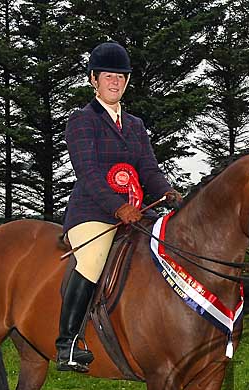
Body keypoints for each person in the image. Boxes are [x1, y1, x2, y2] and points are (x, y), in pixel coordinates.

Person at [57, 41, 182, 372]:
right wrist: (117, 208)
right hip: (92, 212)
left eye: (121, 77)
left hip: (136, 211)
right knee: (94, 257)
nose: (115, 82)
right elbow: (88, 174)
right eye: (108, 76)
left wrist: (168, 192)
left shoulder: (136, 125)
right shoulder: (82, 120)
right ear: (93, 80)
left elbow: (149, 169)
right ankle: (67, 343)